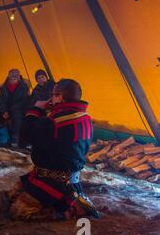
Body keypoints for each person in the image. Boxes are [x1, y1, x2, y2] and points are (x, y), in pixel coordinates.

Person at [9, 79, 99, 221]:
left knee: (19, 211)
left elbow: (26, 134)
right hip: (65, 177)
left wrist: (36, 109)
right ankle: (69, 201)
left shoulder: (57, 121)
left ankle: (70, 209)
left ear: (60, 97)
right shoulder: (86, 117)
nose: (51, 98)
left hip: (54, 182)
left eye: (54, 95)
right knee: (12, 195)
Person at [0, 69, 29, 147]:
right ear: (9, 77)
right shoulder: (4, 87)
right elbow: (0, 100)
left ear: (18, 77)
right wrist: (4, 111)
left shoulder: (23, 87)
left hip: (18, 109)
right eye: (11, 76)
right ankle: (0, 137)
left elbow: (23, 101)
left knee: (16, 115)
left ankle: (15, 138)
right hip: (7, 110)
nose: (13, 78)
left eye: (15, 76)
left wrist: (10, 110)